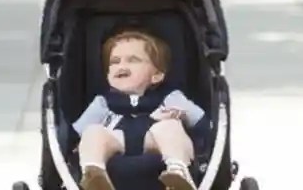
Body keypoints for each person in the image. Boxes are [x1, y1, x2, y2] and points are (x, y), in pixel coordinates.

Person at [72, 30, 204, 190]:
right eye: (114, 62)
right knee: (93, 132)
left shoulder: (171, 98)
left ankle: (177, 172)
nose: (122, 66)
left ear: (156, 75)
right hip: (116, 142)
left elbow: (203, 124)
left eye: (133, 60)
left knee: (170, 127)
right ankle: (94, 174)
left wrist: (182, 118)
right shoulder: (103, 103)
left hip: (154, 141)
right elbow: (75, 135)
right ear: (107, 75)